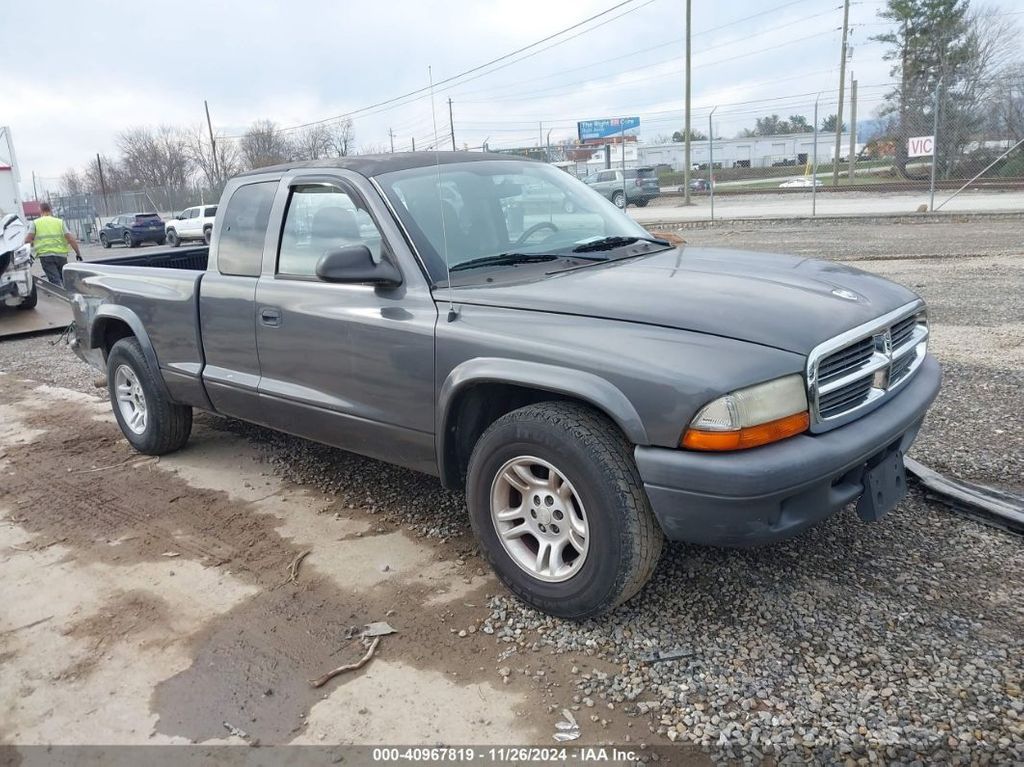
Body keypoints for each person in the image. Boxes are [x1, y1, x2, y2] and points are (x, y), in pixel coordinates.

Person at [24, 202, 82, 287]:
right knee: (65, 279)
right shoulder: (59, 222)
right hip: (61, 256)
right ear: (50, 210)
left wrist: (28, 254)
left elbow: (27, 240)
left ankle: (62, 298)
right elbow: (71, 239)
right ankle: (70, 296)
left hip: (46, 256)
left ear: (40, 210)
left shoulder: (35, 223)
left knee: (55, 282)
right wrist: (78, 253)